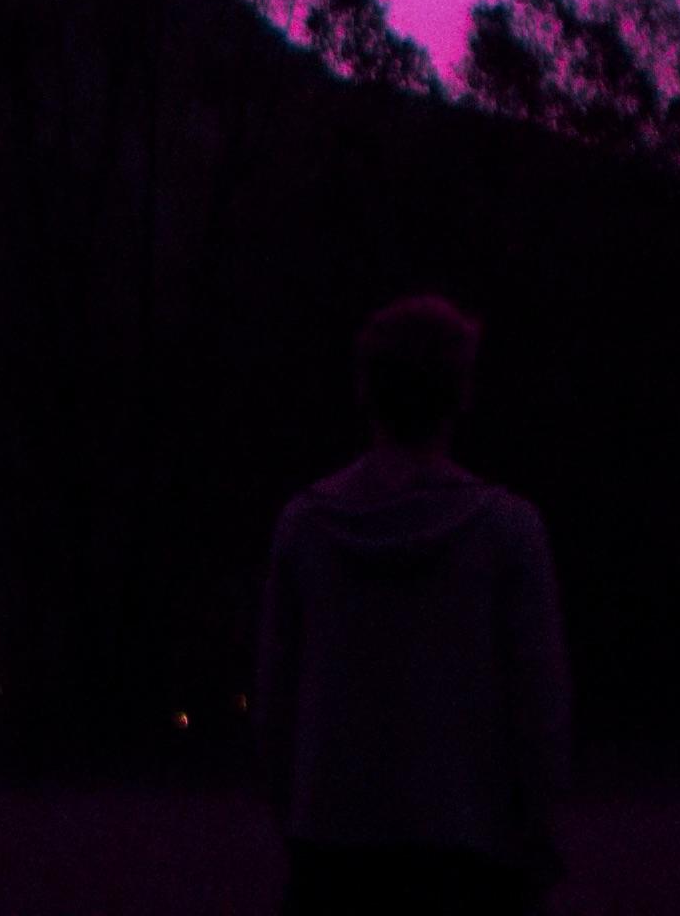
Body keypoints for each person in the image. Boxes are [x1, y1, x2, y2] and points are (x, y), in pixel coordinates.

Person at [254, 292, 572, 915]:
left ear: (365, 390)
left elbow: (275, 704)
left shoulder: (306, 528)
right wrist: (538, 835)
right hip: (470, 852)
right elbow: (539, 707)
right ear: (461, 393)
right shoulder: (508, 532)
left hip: (332, 850)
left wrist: (293, 813)